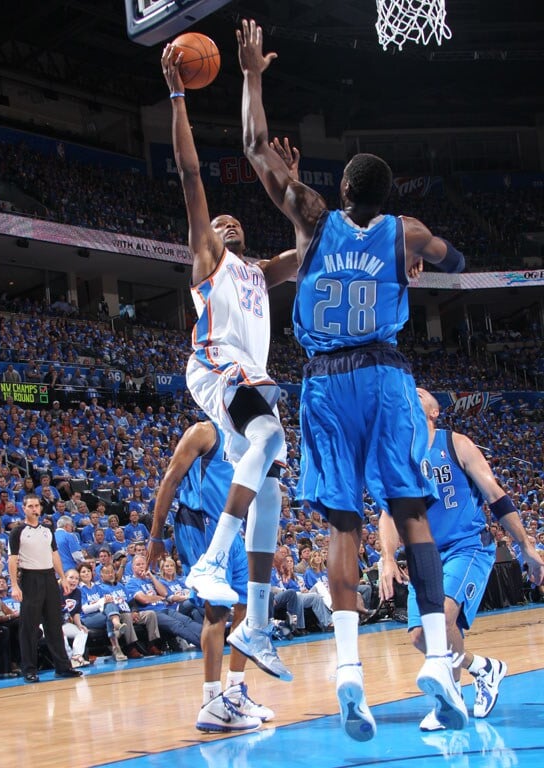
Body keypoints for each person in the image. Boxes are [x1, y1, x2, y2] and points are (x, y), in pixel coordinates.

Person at [236, 18, 469, 739]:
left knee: (342, 522)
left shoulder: (312, 221)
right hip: (384, 377)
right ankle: (435, 655)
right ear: (388, 195)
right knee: (410, 511)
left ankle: (346, 674)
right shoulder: (406, 231)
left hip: (326, 384)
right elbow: (456, 260)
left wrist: (250, 74)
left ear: (340, 190)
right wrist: (427, 258)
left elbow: (251, 148)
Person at [161, 44, 299, 683]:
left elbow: (310, 247)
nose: (224, 221)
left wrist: (289, 187)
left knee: (270, 476)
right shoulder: (210, 261)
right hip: (216, 363)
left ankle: (262, 624)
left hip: (247, 378)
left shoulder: (260, 271)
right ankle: (215, 557)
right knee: (270, 435)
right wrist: (178, 96)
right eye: (217, 222)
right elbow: (191, 176)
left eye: (233, 218)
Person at [379, 388, 544, 730]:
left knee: (442, 617)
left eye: (420, 392)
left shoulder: (456, 443)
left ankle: (448, 701)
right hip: (424, 555)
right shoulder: (397, 454)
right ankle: (483, 667)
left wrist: (526, 546)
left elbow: (495, 495)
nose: (411, 392)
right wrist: (387, 558)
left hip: (466, 545)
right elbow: (387, 513)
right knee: (420, 637)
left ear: (434, 411)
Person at [147, 421, 273, 732]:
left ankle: (234, 692)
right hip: (201, 526)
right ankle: (211, 701)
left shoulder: (249, 436)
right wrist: (155, 536)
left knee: (249, 608)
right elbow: (170, 480)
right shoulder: (203, 432)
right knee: (216, 611)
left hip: (233, 530)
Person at [8, 493, 82, 682]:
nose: (34, 509)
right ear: (23, 509)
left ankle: (63, 666)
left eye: (36, 506)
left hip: (49, 576)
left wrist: (63, 577)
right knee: (29, 627)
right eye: (30, 506)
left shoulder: (48, 529)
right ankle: (29, 669)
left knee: (54, 624)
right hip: (30, 578)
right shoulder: (18, 531)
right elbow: (12, 559)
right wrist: (15, 585)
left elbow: (55, 555)